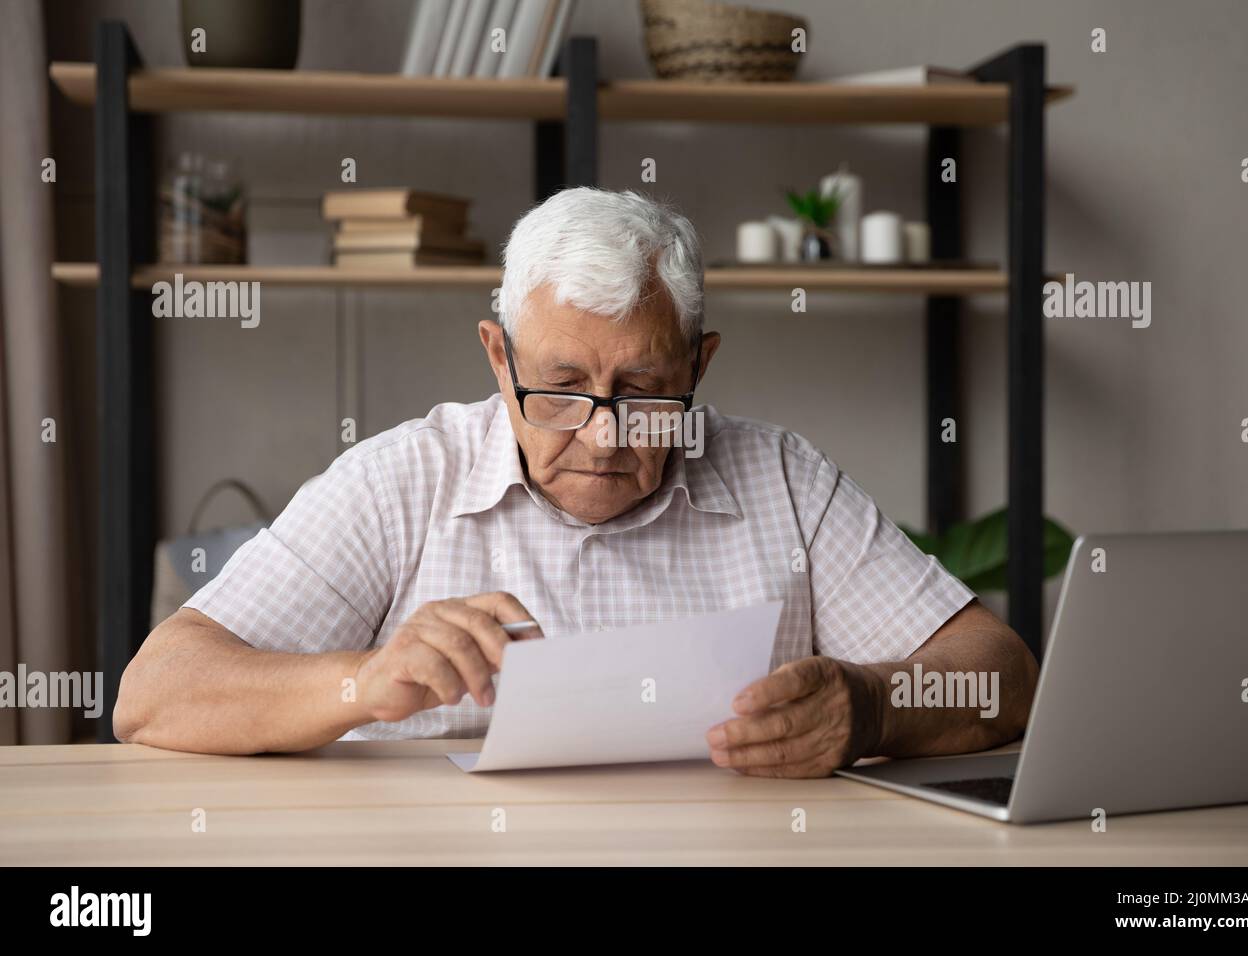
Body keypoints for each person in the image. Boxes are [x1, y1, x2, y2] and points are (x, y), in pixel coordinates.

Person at [115, 187, 1037, 777]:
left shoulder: (784, 478)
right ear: (496, 357)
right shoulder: (401, 480)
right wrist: (362, 681)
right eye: (559, 389)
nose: (601, 436)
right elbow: (155, 694)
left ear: (699, 366)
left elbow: (1001, 677)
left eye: (643, 391)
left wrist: (871, 705)